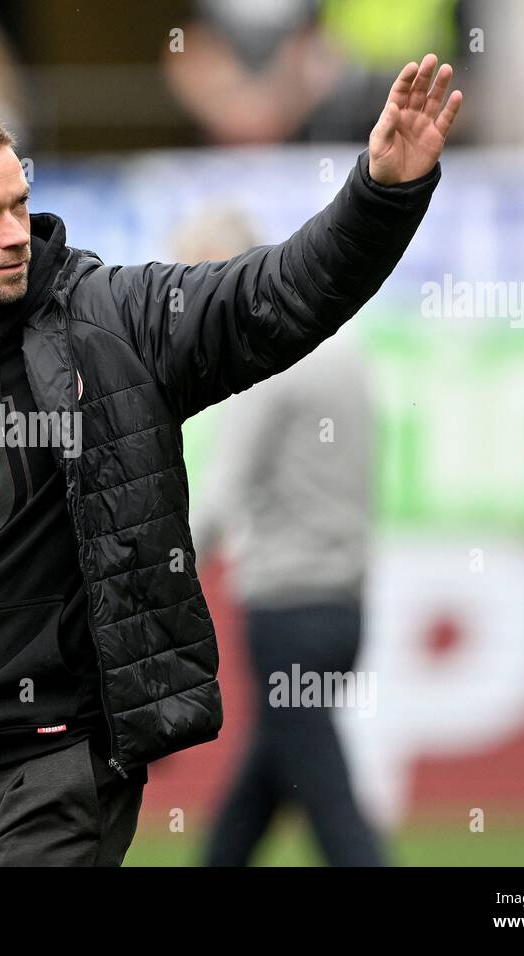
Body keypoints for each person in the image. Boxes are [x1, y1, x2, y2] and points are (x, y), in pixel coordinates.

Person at [0, 55, 462, 866]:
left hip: (55, 776)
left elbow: (274, 296)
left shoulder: (107, 320)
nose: (13, 234)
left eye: (21, 205)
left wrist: (383, 192)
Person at [192, 325, 386, 866]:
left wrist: (154, 580)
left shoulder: (264, 367)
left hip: (286, 608)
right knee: (262, 789)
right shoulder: (348, 356)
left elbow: (220, 495)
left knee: (328, 801)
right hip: (344, 607)